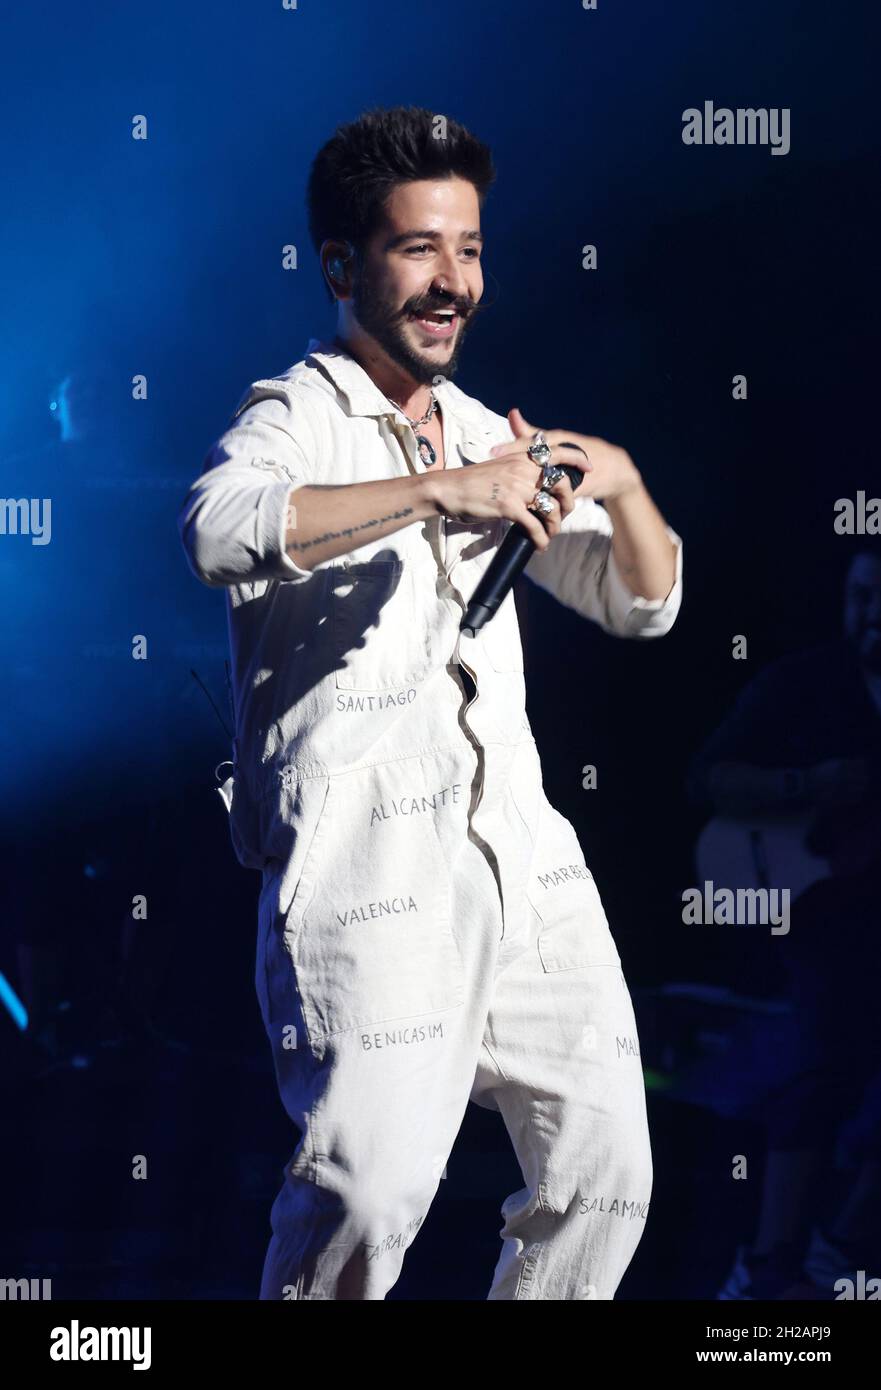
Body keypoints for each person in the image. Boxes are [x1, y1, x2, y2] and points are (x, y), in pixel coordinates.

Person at [177, 105, 683, 1301]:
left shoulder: (482, 428)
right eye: (419, 250)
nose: (452, 282)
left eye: (468, 250)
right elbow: (213, 530)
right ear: (344, 264)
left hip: (519, 862)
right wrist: (443, 490)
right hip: (366, 870)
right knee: (369, 1192)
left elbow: (640, 603)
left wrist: (619, 475)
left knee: (607, 1167)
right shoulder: (297, 411)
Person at [688, 541, 881, 1297]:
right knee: (822, 1056)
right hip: (810, 914)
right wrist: (807, 783)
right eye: (859, 594)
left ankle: (838, 1246)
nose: (869, 614)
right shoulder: (803, 682)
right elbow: (706, 778)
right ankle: (766, 1266)